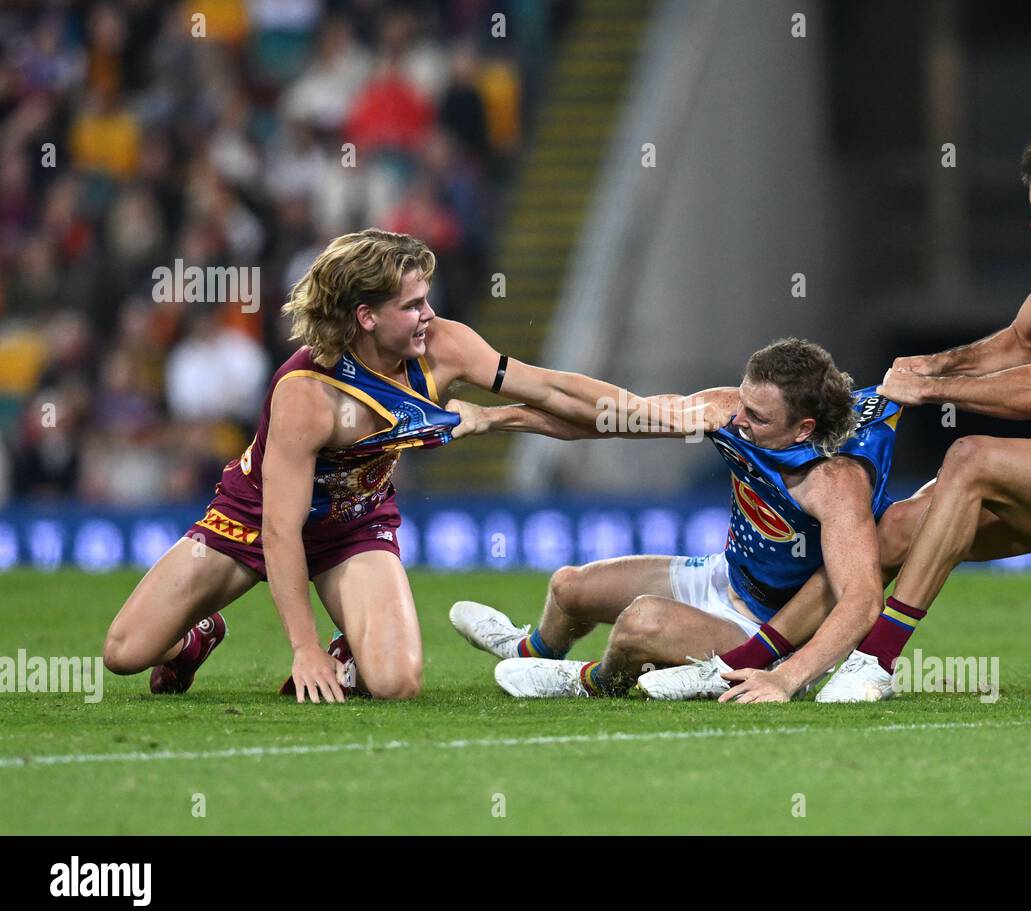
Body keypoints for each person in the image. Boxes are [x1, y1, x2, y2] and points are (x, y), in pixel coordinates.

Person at [102, 229, 723, 703]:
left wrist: (647, 416)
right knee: (124, 653)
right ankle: (196, 636)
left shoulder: (443, 345)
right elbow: (279, 532)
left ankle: (356, 653)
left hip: (355, 526)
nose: (429, 315)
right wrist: (304, 649)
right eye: (413, 305)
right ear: (365, 317)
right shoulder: (306, 395)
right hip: (252, 521)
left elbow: (548, 393)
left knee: (397, 683)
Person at [710, 119, 1031, 704]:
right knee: (891, 530)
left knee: (971, 455)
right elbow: (1020, 343)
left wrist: (932, 393)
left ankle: (876, 661)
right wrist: (933, 365)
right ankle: (736, 666)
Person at [448, 338, 904, 700]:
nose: (737, 418)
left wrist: (787, 678)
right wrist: (493, 417)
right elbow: (607, 417)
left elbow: (861, 603)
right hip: (725, 576)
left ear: (803, 429)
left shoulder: (836, 482)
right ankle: (530, 650)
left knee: (639, 625)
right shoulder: (730, 410)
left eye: (757, 416)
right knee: (570, 588)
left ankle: (590, 683)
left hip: (767, 629)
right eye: (742, 401)